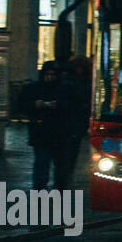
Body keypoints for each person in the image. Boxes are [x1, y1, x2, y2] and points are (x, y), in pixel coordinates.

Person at [19, 62, 72, 190]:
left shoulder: (64, 88)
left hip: (58, 133)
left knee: (58, 166)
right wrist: (34, 105)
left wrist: (58, 105)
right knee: (42, 164)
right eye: (47, 74)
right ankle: (40, 189)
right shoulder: (33, 88)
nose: (49, 77)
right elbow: (21, 105)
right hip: (42, 133)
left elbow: (73, 106)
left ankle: (56, 189)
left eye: (52, 74)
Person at [58, 55, 92, 190]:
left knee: (71, 151)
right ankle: (65, 175)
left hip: (75, 121)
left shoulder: (71, 80)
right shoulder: (78, 82)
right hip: (73, 120)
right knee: (69, 151)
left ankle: (66, 174)